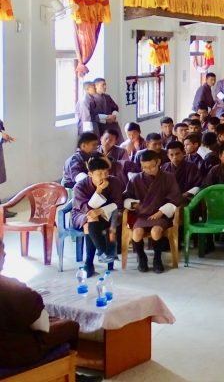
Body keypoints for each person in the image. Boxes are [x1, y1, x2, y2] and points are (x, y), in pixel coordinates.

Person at [0, 240, 80, 369]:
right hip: (10, 354)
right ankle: (66, 373)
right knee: (70, 326)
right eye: (2, 251)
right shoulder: (11, 288)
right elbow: (42, 326)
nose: (5, 254)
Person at [124, 150, 181, 273]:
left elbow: (175, 199)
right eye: (145, 167)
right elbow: (126, 197)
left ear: (158, 162)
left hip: (161, 215)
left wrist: (161, 212)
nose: (148, 170)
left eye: (151, 167)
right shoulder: (136, 179)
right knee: (137, 234)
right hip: (142, 215)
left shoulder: (168, 177)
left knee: (156, 232)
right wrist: (134, 204)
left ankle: (157, 259)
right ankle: (142, 257)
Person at [71, 156, 123, 277]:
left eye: (106, 172)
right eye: (99, 173)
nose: (104, 176)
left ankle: (90, 262)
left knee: (91, 221)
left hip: (106, 213)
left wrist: (100, 210)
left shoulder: (114, 181)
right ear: (90, 174)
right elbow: (87, 209)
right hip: (81, 214)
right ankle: (101, 252)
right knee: (90, 220)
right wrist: (98, 190)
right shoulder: (80, 186)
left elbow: (117, 203)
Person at [92, 77, 123, 144]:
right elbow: (92, 115)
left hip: (112, 125)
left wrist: (114, 115)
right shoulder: (91, 99)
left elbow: (115, 108)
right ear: (95, 86)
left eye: (105, 85)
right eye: (103, 85)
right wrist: (106, 118)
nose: (105, 87)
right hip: (100, 127)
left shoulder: (107, 97)